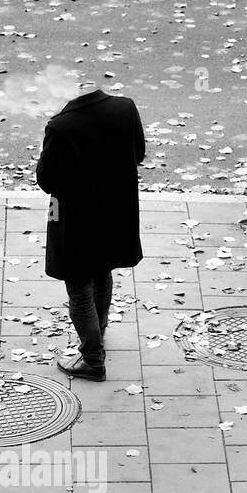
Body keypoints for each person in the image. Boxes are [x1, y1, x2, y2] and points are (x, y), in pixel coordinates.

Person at [36, 72, 146, 381]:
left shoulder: (60, 126)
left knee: (78, 287)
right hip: (115, 211)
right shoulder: (125, 108)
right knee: (102, 271)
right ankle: (100, 331)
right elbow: (137, 153)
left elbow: (47, 181)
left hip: (75, 220)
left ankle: (93, 358)